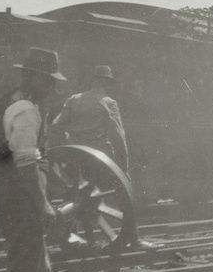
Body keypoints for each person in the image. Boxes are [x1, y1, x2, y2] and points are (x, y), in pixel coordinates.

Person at [0, 47, 65, 272]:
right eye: (49, 80)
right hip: (21, 199)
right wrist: (42, 204)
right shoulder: (27, 111)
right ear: (34, 77)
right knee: (25, 263)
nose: (53, 86)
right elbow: (27, 164)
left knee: (32, 255)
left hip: (7, 194)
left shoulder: (8, 101)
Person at [50, 65, 153, 251]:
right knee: (125, 191)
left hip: (75, 159)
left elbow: (56, 127)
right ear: (106, 83)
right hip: (98, 159)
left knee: (74, 191)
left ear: (93, 81)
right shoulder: (108, 102)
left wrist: (67, 146)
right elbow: (117, 136)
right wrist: (123, 166)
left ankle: (71, 237)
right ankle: (134, 239)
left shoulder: (73, 100)